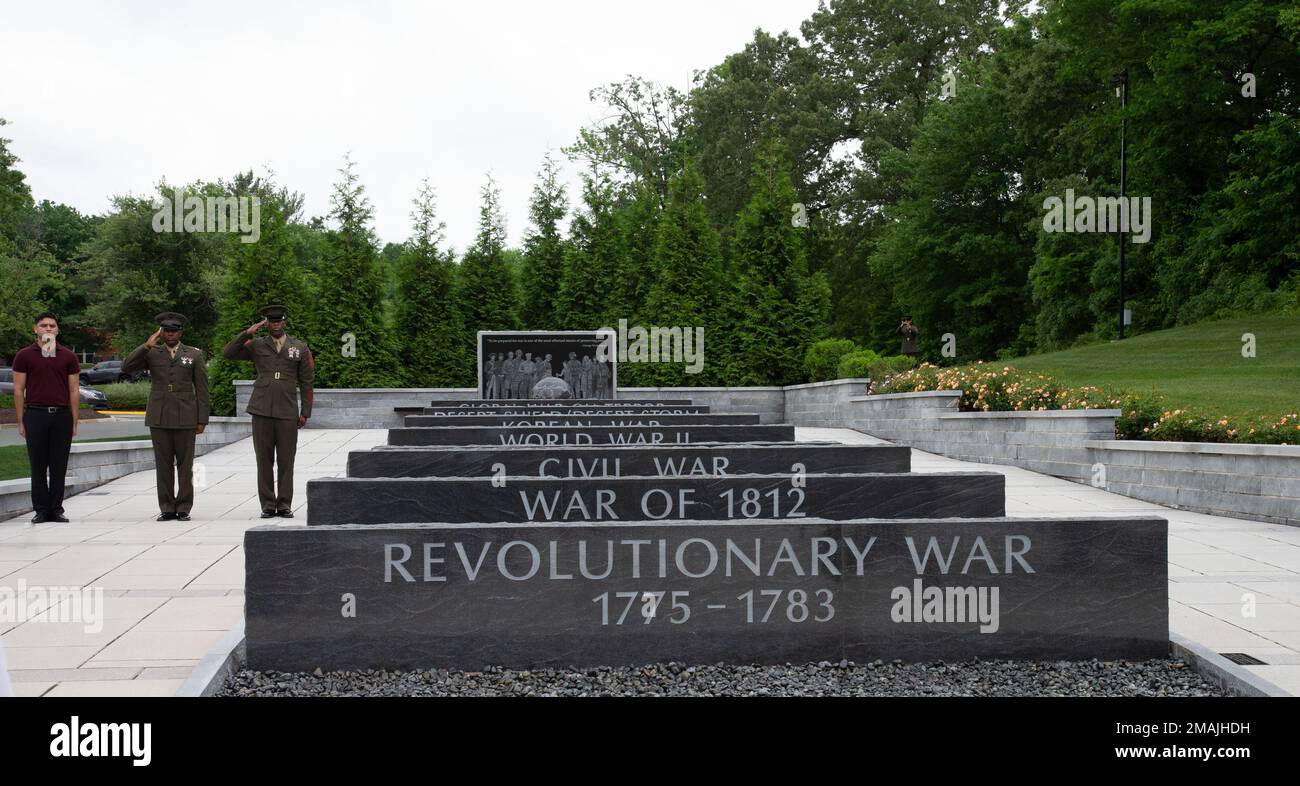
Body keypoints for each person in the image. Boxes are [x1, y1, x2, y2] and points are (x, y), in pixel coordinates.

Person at [222, 305, 314, 518]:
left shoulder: (299, 347)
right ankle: (267, 505)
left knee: (286, 460)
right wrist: (247, 332)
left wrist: (305, 412)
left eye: (278, 321)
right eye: (271, 321)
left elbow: (307, 382)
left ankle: (284, 504)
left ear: (284, 322)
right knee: (263, 460)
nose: (275, 324)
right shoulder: (256, 345)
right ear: (266, 323)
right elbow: (228, 353)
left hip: (287, 410)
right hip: (261, 409)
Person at [122, 312, 210, 522]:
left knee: (185, 465)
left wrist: (202, 419)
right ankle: (167, 507)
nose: (170, 334)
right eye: (166, 331)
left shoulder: (194, 355)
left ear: (181, 332)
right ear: (161, 332)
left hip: (186, 416)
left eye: (174, 330)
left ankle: (184, 507)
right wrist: (146, 345)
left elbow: (202, 389)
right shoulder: (152, 353)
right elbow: (127, 366)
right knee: (163, 465)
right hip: (159, 415)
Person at [12, 312, 80, 523]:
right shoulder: (24, 355)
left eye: (52, 325)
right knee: (38, 465)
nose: (48, 329)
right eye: (43, 325)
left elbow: (74, 390)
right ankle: (41, 509)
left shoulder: (68, 356)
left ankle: (56, 509)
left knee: (59, 464)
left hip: (61, 416)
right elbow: (18, 389)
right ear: (36, 329)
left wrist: (74, 420)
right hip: (35, 415)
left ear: (57, 330)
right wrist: (21, 420)